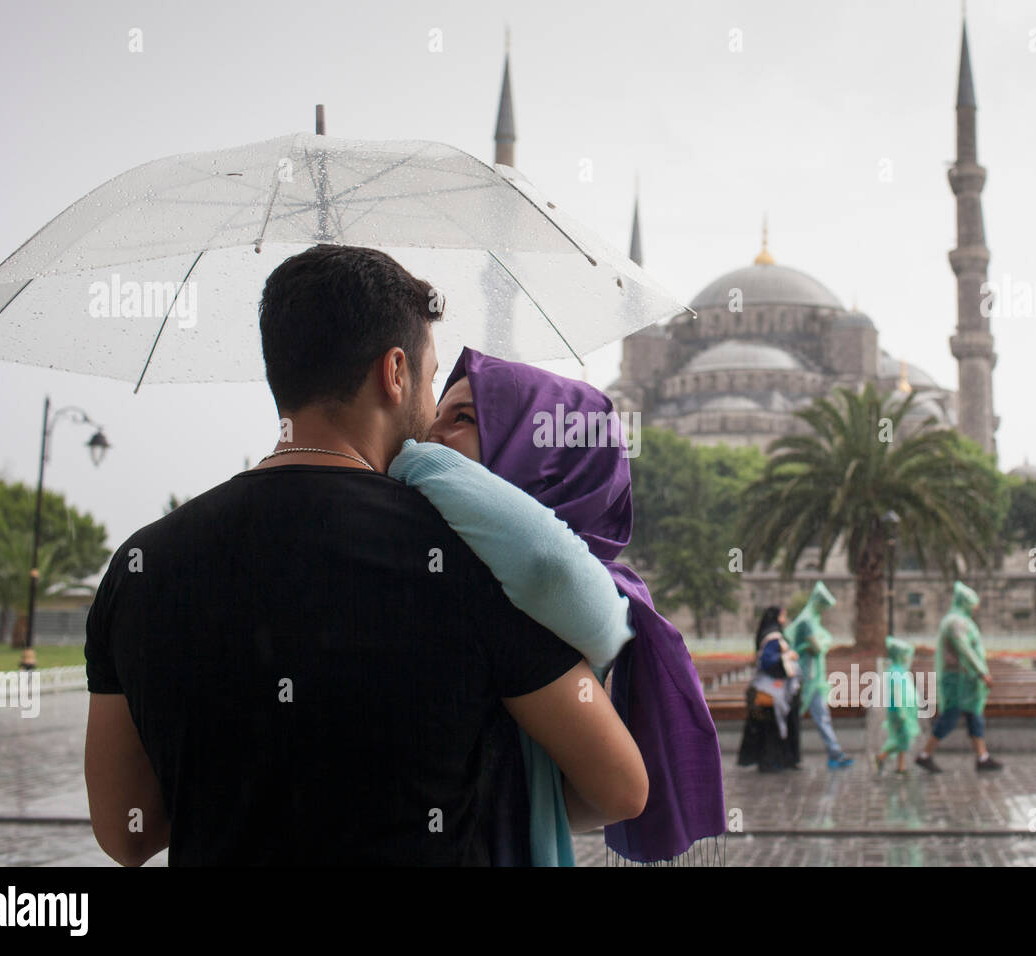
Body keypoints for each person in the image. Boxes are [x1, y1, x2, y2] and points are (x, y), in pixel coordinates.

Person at [83, 245, 648, 866]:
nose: (432, 413)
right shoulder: (470, 558)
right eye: (433, 380)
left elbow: (126, 832)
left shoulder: (140, 568)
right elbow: (621, 786)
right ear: (395, 371)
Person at [411, 346, 726, 865]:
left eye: (463, 419)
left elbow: (616, 792)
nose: (430, 434)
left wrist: (401, 457)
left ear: (540, 455)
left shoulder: (561, 599)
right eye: (434, 417)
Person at [916, 581, 1002, 773]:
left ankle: (982, 756)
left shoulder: (959, 620)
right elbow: (965, 649)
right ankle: (925, 754)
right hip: (958, 680)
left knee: (974, 717)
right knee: (951, 716)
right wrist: (982, 672)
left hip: (966, 680)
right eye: (973, 604)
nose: (976, 608)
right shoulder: (956, 623)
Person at [785, 582, 854, 769]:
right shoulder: (807, 621)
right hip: (807, 677)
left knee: (811, 715)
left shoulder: (811, 619)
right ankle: (832, 753)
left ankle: (831, 752)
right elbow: (815, 647)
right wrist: (822, 644)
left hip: (812, 677)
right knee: (811, 716)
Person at [738, 606, 802, 773]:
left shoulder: (768, 632)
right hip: (771, 691)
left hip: (768, 689)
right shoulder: (773, 636)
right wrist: (789, 657)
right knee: (771, 729)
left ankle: (774, 760)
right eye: (783, 615)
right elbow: (768, 661)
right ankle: (770, 762)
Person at [874, 636, 920, 775]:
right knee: (903, 736)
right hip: (899, 710)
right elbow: (897, 693)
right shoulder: (896, 671)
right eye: (905, 655)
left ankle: (901, 766)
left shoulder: (898, 670)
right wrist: (901, 711)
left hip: (903, 709)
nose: (907, 658)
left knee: (902, 736)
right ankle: (881, 756)